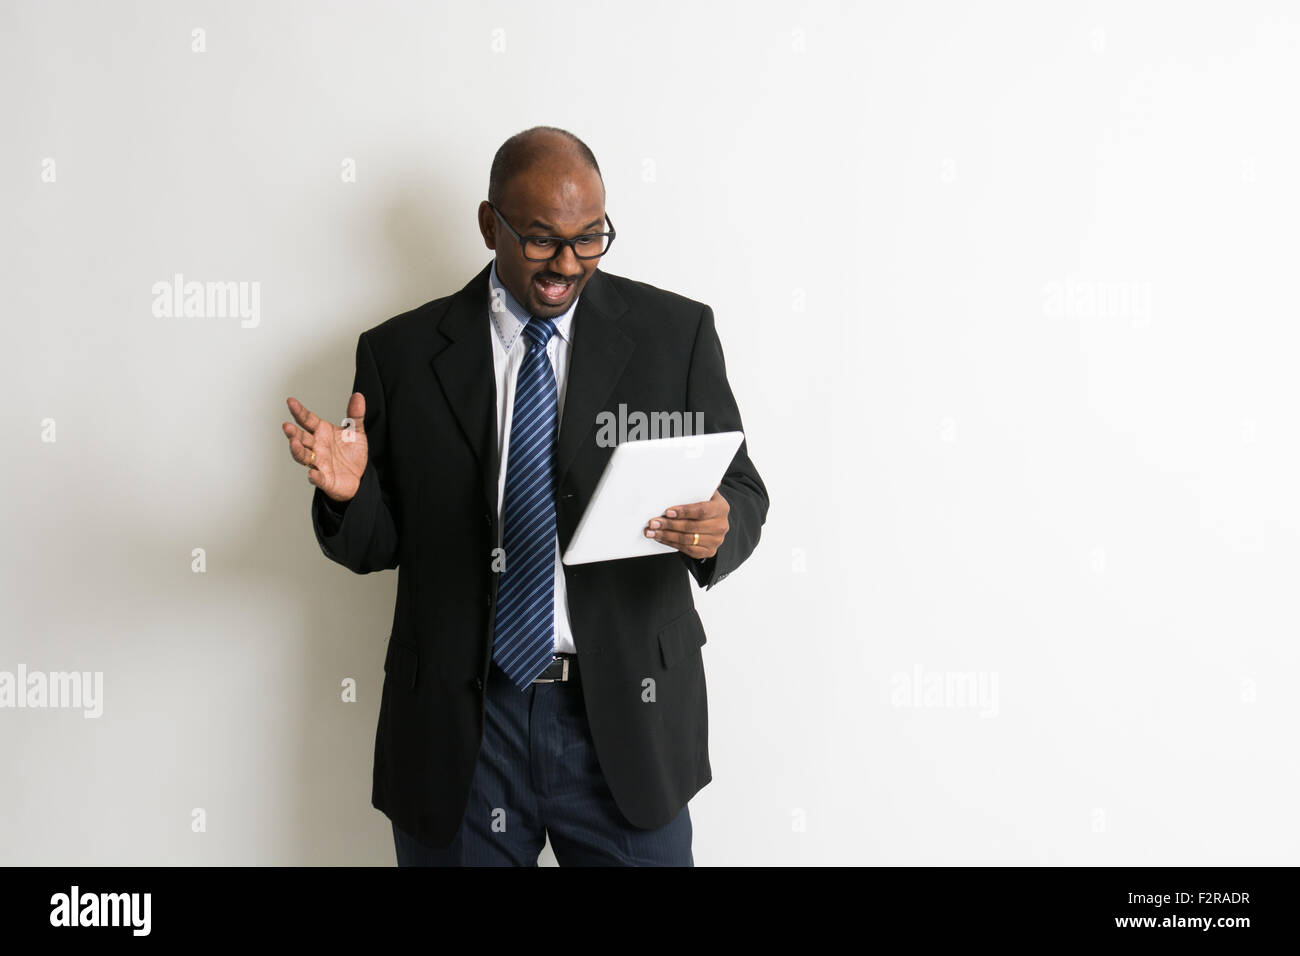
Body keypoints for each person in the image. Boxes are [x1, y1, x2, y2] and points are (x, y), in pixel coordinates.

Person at [281, 126, 768, 866]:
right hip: (463, 730)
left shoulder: (677, 335)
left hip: (624, 725)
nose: (567, 265)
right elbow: (379, 544)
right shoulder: (400, 355)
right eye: (541, 240)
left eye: (590, 239)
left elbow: (740, 486)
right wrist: (350, 496)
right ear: (490, 225)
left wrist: (720, 527)